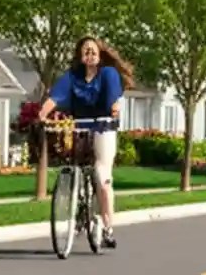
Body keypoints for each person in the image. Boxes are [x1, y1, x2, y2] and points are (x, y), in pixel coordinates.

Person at [38, 36, 135, 249]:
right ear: (80, 56)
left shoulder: (108, 74)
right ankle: (80, 207)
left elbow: (114, 98)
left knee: (102, 176)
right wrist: (44, 113)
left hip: (103, 126)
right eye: (85, 51)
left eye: (93, 51)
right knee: (75, 166)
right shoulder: (73, 77)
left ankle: (108, 226)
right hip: (80, 125)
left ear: (99, 55)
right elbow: (56, 96)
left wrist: (114, 110)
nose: (89, 55)